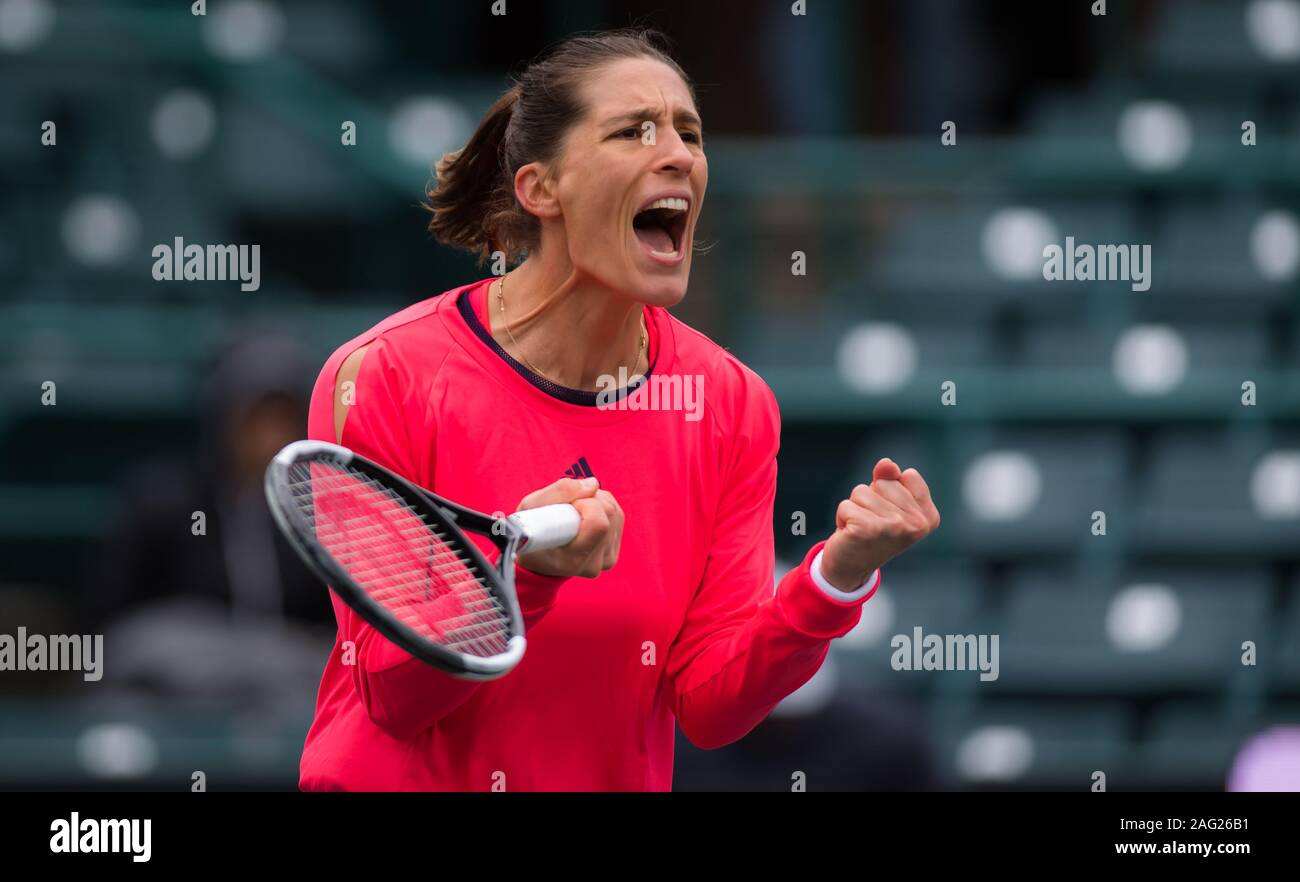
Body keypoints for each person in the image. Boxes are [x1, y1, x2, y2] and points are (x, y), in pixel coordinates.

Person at [299, 27, 940, 791]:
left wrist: (835, 578)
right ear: (542, 190)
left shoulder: (729, 403)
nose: (677, 154)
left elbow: (710, 704)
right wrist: (523, 576)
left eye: (688, 132)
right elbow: (394, 695)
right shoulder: (382, 377)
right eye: (633, 131)